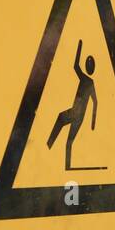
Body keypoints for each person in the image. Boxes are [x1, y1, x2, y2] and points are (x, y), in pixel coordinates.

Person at [47, 39, 98, 171]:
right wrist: (92, 123)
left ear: (89, 67)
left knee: (60, 118)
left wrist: (80, 47)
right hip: (80, 117)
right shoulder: (90, 82)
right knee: (69, 142)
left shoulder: (86, 79)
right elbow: (95, 102)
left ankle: (48, 146)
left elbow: (75, 66)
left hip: (75, 112)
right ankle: (67, 166)